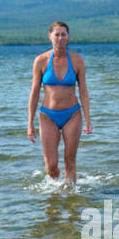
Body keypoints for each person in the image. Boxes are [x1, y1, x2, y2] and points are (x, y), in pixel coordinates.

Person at [27, 21, 91, 184]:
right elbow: (34, 93)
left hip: (72, 115)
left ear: (68, 37)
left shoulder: (77, 61)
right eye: (57, 34)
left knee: (70, 161)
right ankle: (56, 192)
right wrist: (30, 124)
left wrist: (88, 120)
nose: (60, 38)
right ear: (50, 36)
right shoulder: (40, 61)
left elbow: (83, 91)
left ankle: (71, 202)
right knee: (51, 166)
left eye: (64, 34)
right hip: (48, 115)